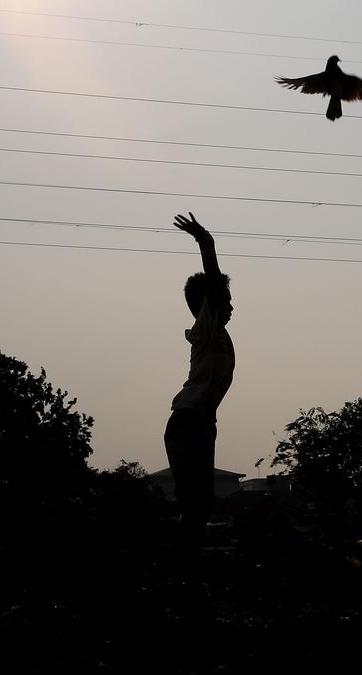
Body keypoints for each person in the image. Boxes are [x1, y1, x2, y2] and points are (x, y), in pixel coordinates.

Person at [165, 212, 235, 546]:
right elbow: (214, 278)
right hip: (188, 422)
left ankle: (193, 543)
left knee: (200, 499)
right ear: (210, 303)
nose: (232, 305)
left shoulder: (221, 336)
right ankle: (186, 549)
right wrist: (204, 240)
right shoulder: (207, 328)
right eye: (226, 300)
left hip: (200, 422)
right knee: (194, 499)